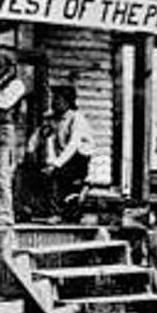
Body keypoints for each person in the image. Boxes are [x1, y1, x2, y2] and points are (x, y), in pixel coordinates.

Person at [0, 43, 30, 224]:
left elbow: (3, 103)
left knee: (2, 171)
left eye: (0, 65)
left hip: (4, 129)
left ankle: (6, 213)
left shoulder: (16, 84)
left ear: (9, 67)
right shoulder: (0, 84)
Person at [42, 85, 94, 219]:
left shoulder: (77, 119)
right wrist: (50, 162)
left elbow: (73, 145)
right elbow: (50, 141)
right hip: (64, 159)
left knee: (55, 175)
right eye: (53, 99)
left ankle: (56, 213)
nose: (54, 103)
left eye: (58, 100)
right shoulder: (53, 119)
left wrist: (56, 165)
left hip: (79, 161)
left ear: (68, 102)